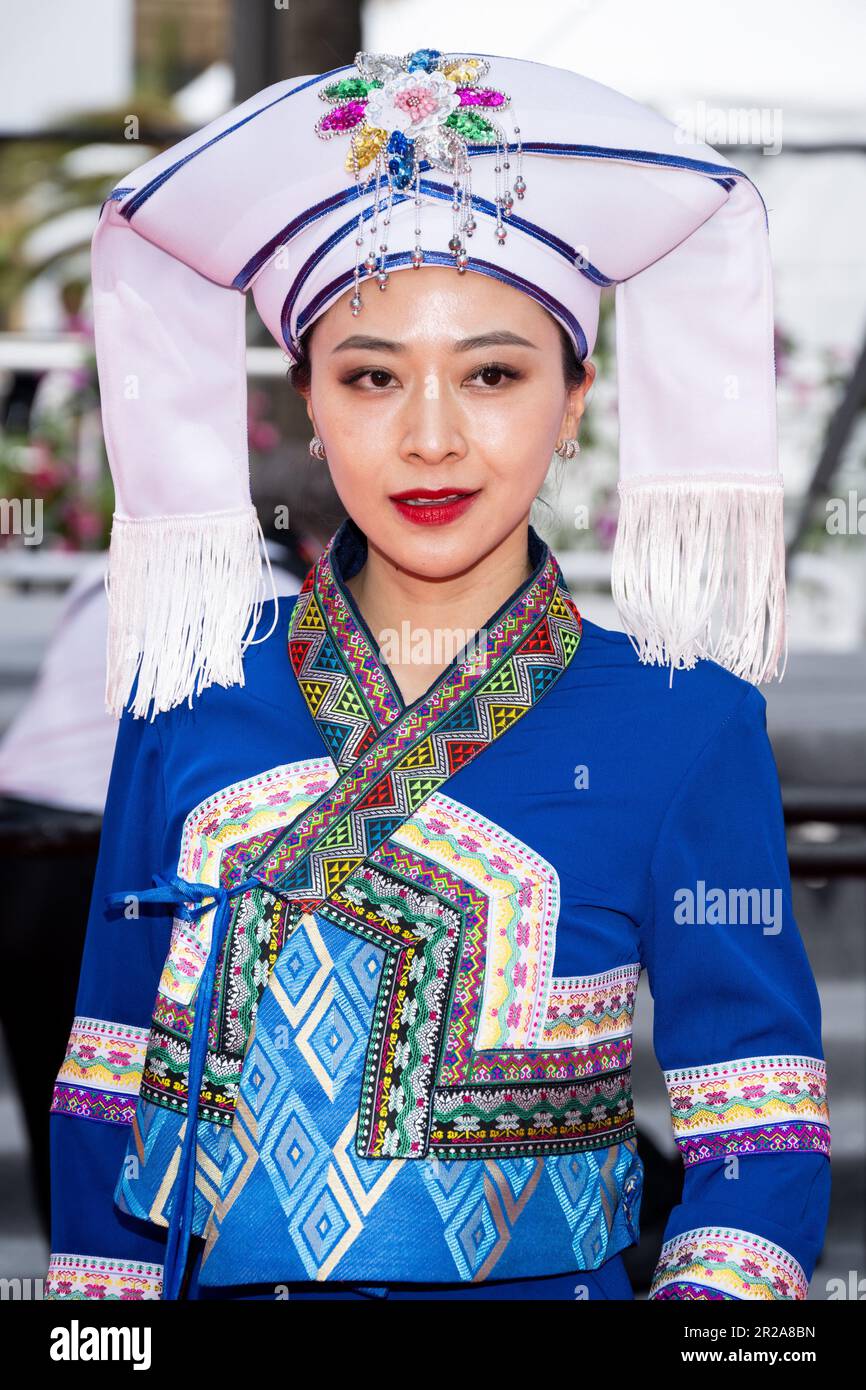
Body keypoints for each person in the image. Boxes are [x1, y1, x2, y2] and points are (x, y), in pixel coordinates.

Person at [45, 48, 830, 1302]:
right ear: (304, 395)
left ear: (575, 397)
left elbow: (757, 1128)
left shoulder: (682, 717)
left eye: (492, 374)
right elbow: (105, 1082)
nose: (428, 436)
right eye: (369, 375)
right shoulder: (186, 688)